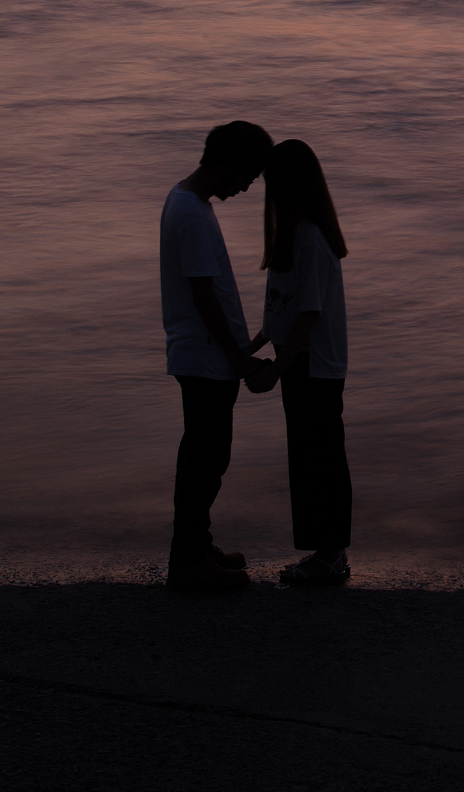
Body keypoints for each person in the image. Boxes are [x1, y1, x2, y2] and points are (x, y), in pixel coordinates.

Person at [160, 119, 277, 592]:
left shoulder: (187, 201)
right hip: (205, 355)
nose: (246, 188)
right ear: (229, 164)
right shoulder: (190, 212)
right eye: (247, 177)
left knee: (205, 454)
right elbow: (204, 295)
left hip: (204, 354)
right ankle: (187, 562)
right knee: (204, 459)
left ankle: (196, 546)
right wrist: (240, 358)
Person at [247, 138, 353, 587]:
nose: (268, 191)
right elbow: (282, 308)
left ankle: (331, 555)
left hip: (315, 366)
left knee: (321, 458)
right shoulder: (292, 233)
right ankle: (323, 552)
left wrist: (275, 368)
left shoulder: (310, 237)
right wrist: (251, 346)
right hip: (299, 362)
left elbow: (309, 313)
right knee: (307, 457)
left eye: (273, 181)